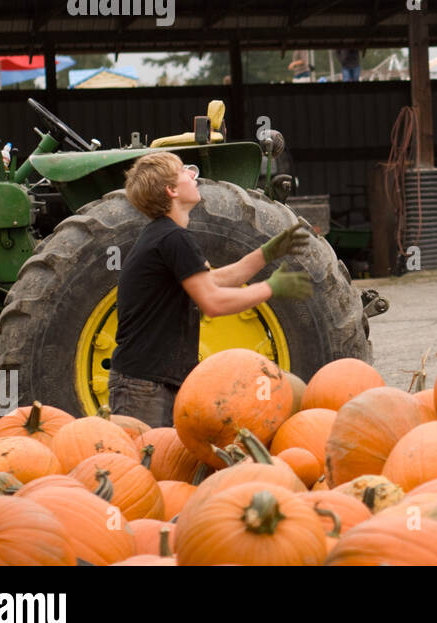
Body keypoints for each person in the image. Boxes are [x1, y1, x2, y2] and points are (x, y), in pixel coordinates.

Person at [107, 151, 313, 427]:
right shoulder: (172, 238)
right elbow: (213, 302)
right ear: (171, 190)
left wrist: (266, 253)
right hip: (144, 386)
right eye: (184, 171)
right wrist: (270, 288)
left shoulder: (164, 235)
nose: (193, 174)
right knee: (149, 463)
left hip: (151, 380)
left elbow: (212, 280)